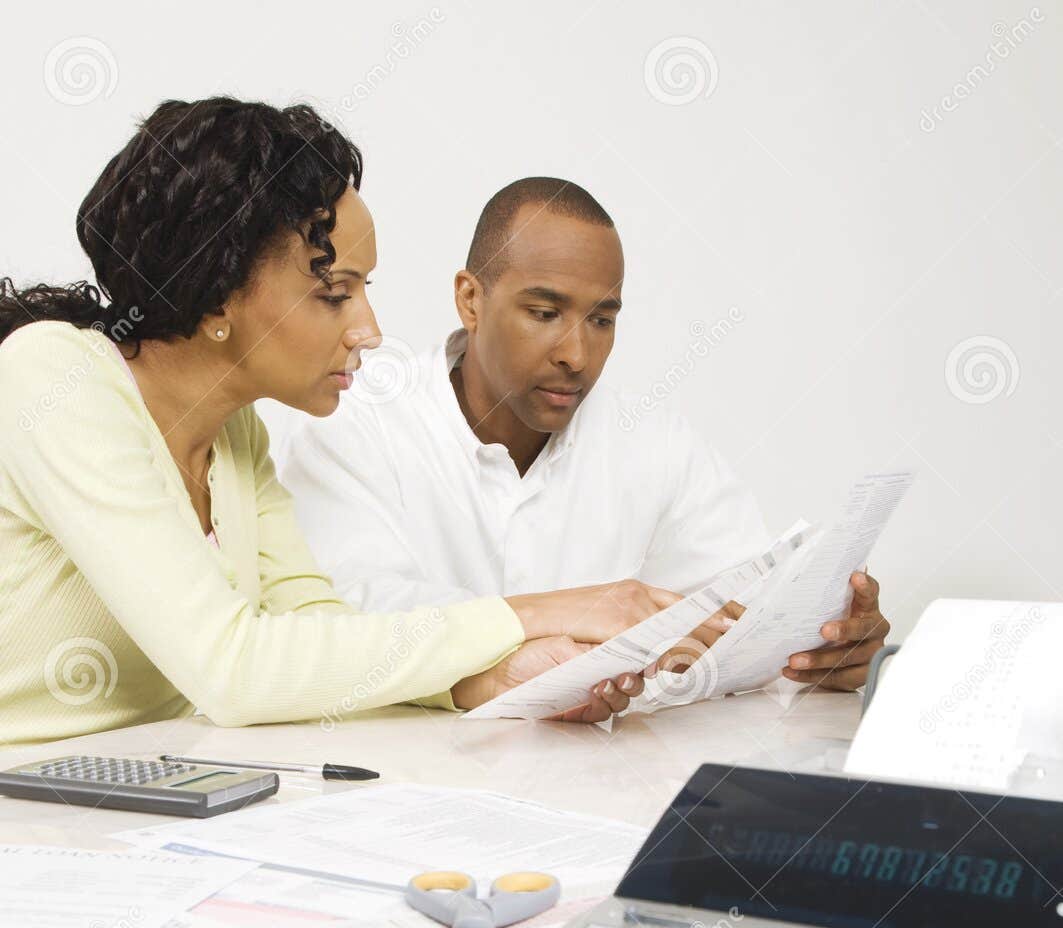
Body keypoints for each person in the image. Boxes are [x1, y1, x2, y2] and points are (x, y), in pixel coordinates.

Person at [0, 106, 699, 748]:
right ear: (218, 291)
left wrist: (490, 680)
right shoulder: (54, 379)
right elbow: (231, 669)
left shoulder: (237, 437)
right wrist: (534, 614)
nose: (368, 330)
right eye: (334, 294)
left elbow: (319, 631)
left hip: (137, 798)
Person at [282, 178, 889, 692]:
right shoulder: (354, 422)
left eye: (602, 319)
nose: (576, 354)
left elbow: (746, 611)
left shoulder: (653, 441)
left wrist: (818, 645)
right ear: (471, 298)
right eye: (544, 314)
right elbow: (341, 620)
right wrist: (572, 617)